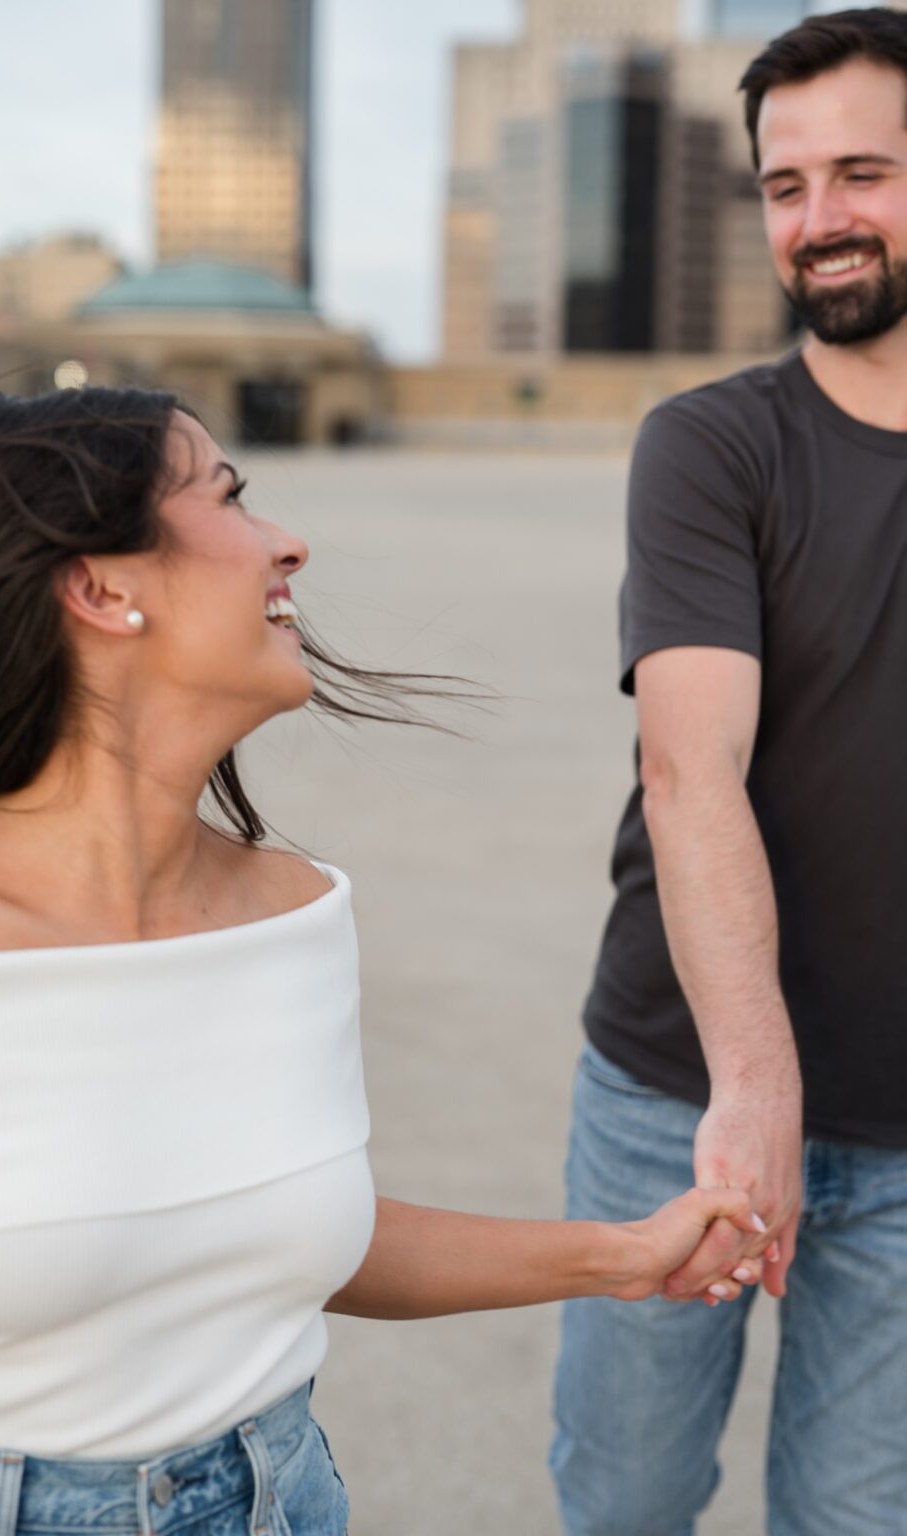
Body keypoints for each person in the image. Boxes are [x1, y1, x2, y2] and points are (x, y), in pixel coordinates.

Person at [0, 389, 761, 1536]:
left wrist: (623, 1255)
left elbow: (278, 1232)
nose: (290, 541)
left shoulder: (289, 910)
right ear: (101, 586)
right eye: (229, 498)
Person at [551, 9, 907, 1535]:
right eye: (784, 186)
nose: (817, 221)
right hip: (675, 1092)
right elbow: (693, 769)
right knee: (626, 1504)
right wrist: (753, 1082)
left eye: (863, 174)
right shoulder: (711, 448)